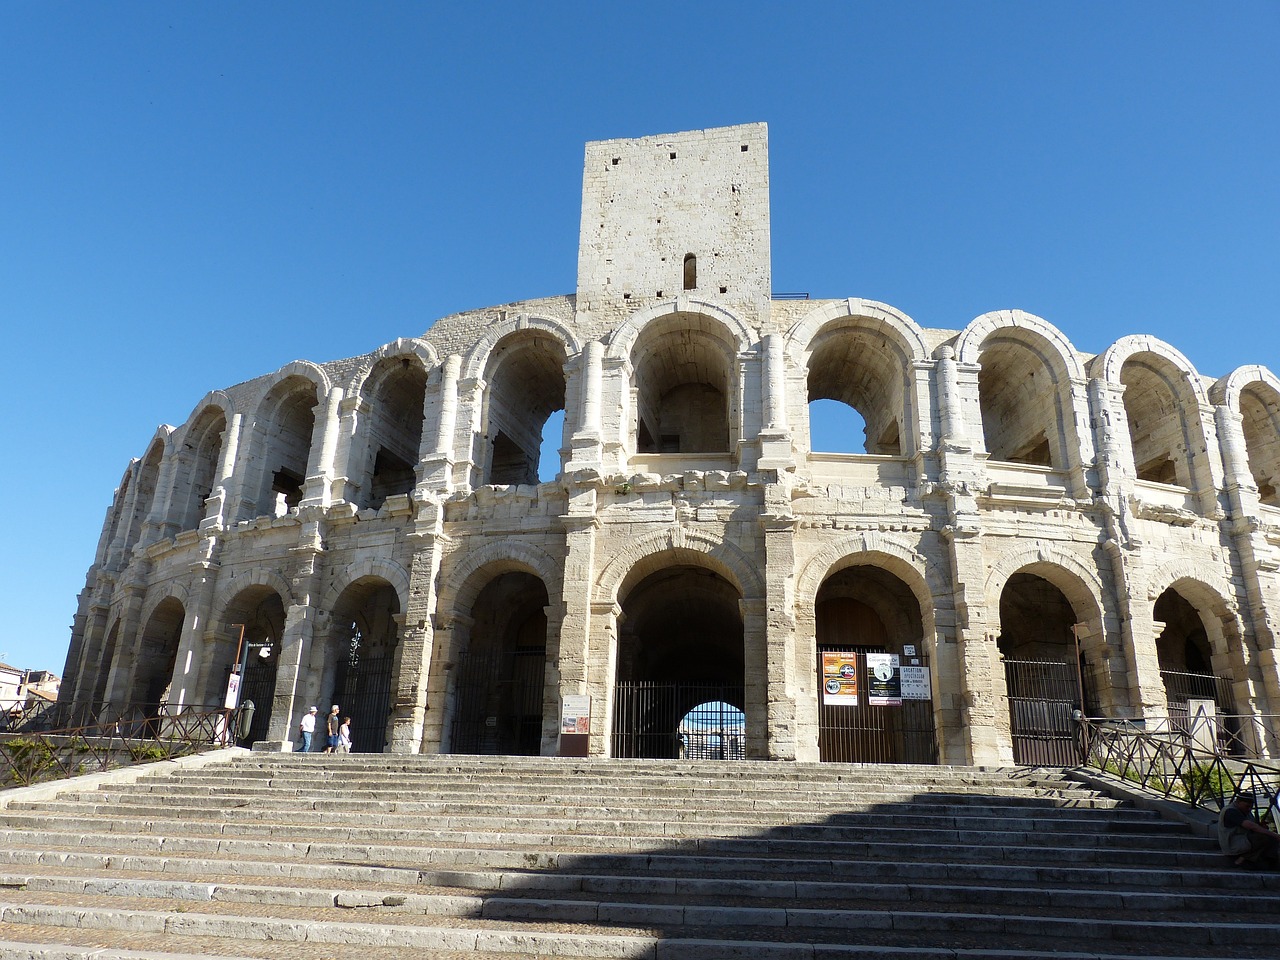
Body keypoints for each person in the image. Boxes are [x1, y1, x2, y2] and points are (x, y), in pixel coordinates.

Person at [1218, 791, 1280, 869]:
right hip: (1233, 843)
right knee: (1264, 837)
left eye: (1251, 807)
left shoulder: (1246, 811)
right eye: (1247, 806)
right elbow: (1250, 826)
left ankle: (1271, 863)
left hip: (1244, 839)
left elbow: (1253, 826)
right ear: (1238, 802)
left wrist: (1262, 827)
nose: (1249, 809)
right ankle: (1242, 859)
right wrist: (1275, 835)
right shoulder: (1230, 811)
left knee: (1271, 839)